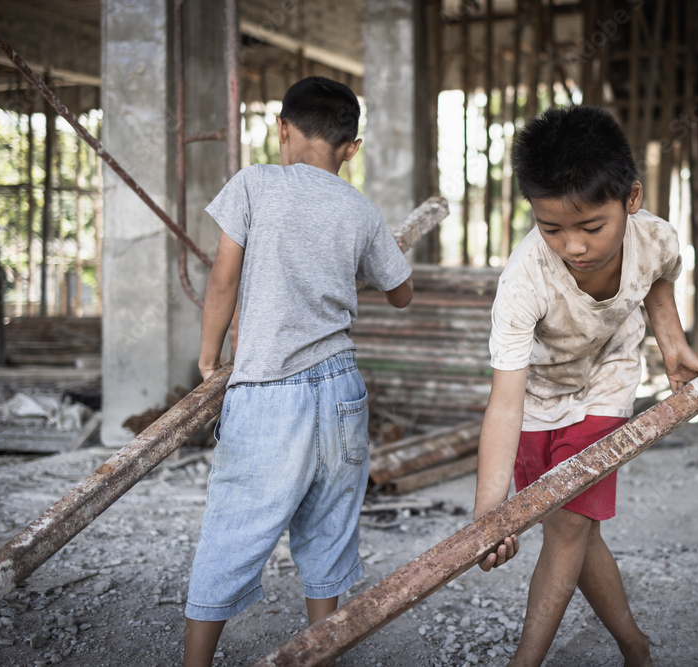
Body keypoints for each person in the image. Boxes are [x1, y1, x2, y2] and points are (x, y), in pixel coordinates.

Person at [182, 76, 414, 667]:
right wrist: (365, 255)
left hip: (267, 391)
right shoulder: (361, 210)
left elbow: (222, 277)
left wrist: (209, 357)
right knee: (328, 531)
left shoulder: (255, 184)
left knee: (234, 532)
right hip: (340, 390)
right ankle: (321, 654)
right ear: (351, 149)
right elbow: (402, 292)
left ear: (281, 127)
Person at [472, 106, 698, 667]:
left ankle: (523, 662)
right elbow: (504, 404)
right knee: (576, 532)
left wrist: (670, 341)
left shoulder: (655, 237)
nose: (573, 247)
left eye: (591, 227)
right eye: (552, 228)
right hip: (536, 399)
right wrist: (492, 510)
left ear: (630, 199)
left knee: (570, 525)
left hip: (607, 381)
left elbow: (655, 278)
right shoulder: (524, 280)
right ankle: (634, 645)